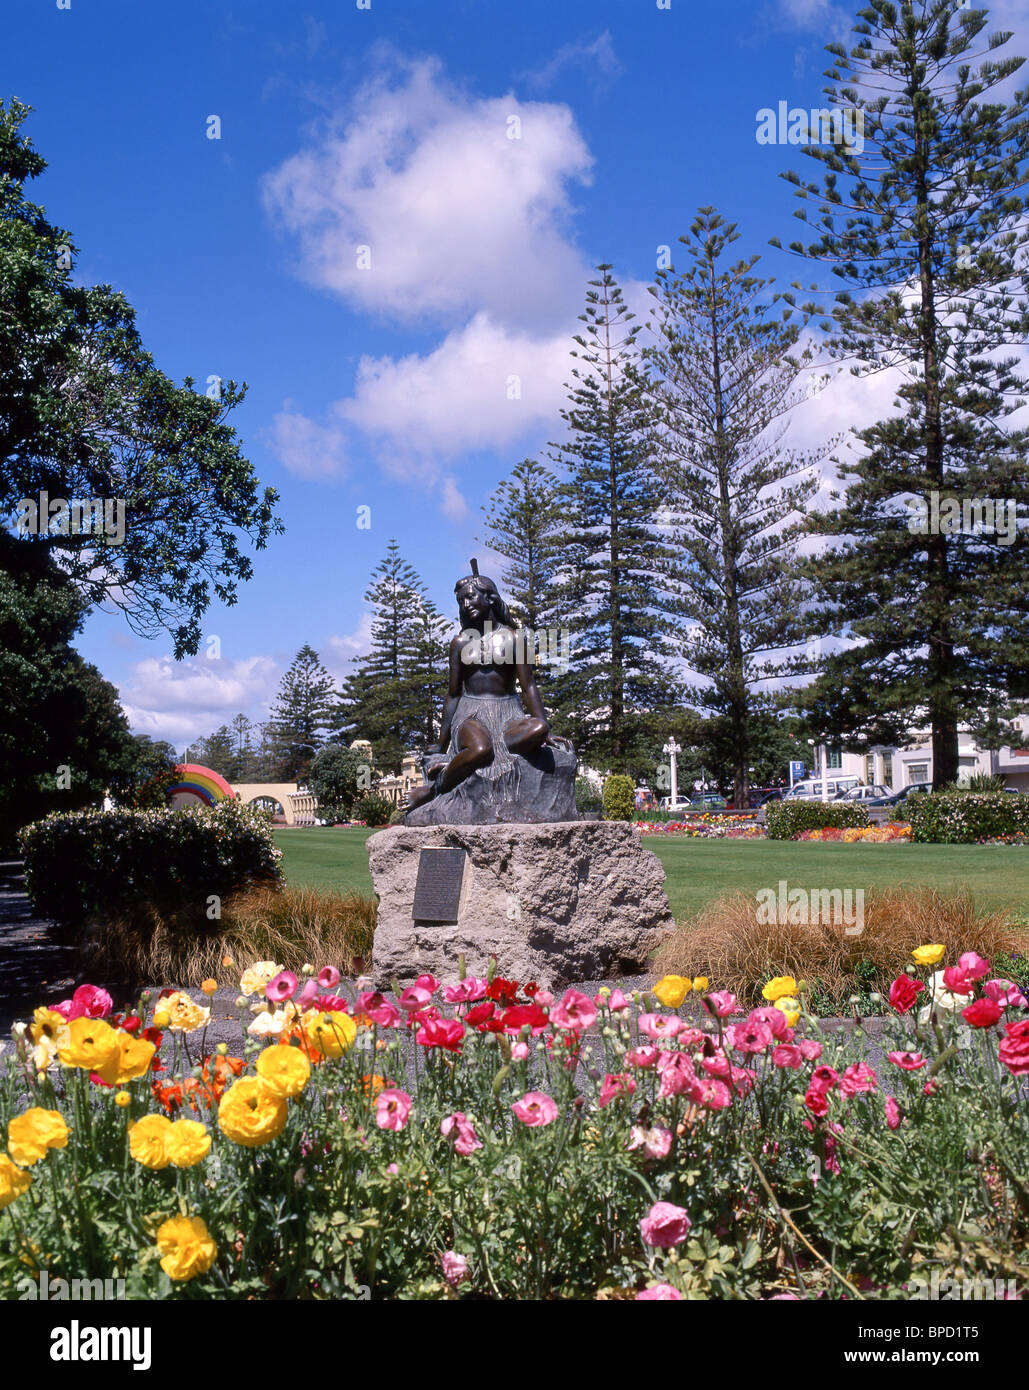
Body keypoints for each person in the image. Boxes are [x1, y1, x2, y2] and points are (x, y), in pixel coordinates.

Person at [406, 565, 569, 812]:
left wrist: (545, 731)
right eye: (461, 601)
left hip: (508, 716)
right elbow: (453, 694)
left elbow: (529, 688)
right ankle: (434, 788)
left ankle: (458, 764)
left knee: (539, 727)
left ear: (490, 597)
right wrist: (441, 744)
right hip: (471, 715)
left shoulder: (515, 639)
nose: (465, 604)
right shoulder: (460, 642)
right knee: (481, 749)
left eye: (470, 597)